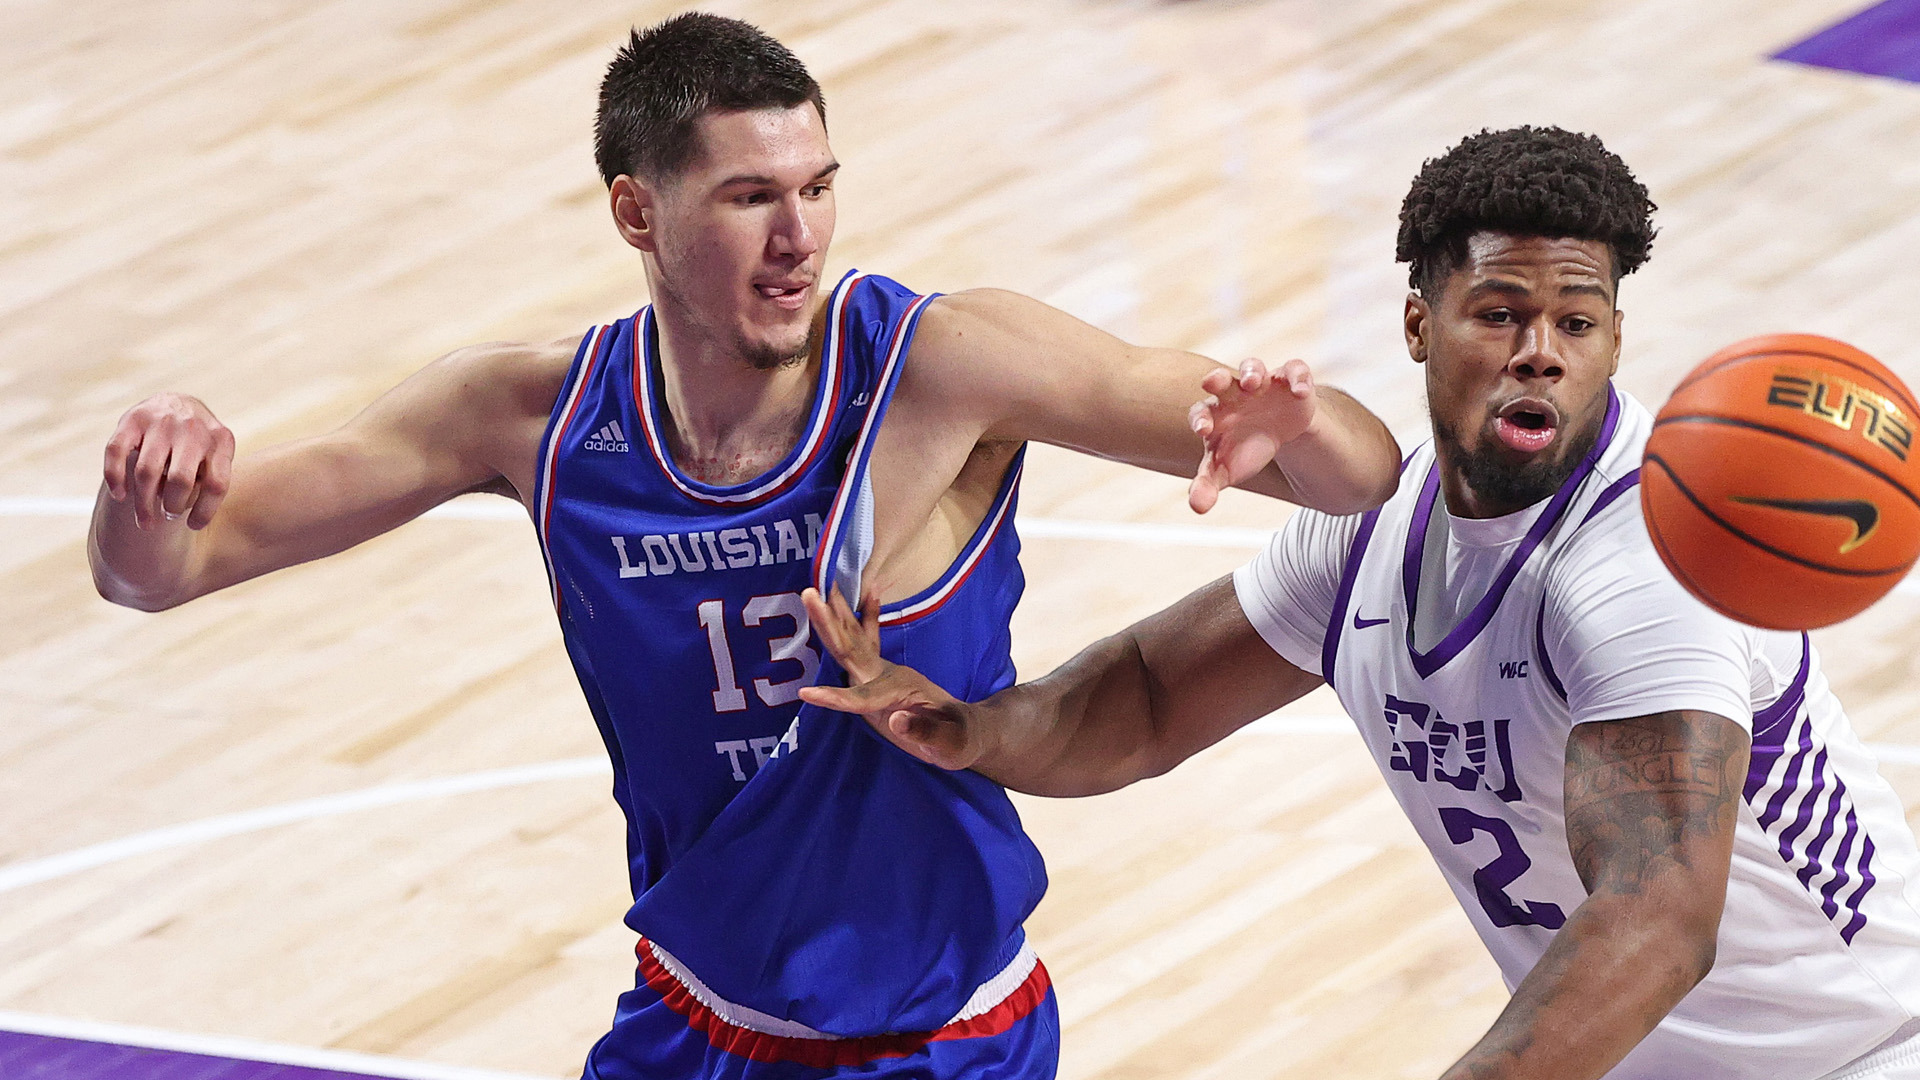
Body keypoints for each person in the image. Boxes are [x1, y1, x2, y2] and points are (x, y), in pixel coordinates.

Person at [86, 13, 1400, 1080]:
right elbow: (159, 574)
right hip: (693, 1025)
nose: (801, 239)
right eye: (751, 197)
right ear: (636, 213)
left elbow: (1360, 473)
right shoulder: (534, 417)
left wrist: (1299, 423)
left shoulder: (947, 360)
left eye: (820, 189)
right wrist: (152, 476)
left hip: (940, 1046)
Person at [802, 126, 1920, 1080]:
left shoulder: (1639, 573)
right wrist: (973, 728)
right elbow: (1144, 700)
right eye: (1499, 314)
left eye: (1577, 325)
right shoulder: (1374, 533)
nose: (1540, 353)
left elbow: (1658, 922)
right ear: (1418, 325)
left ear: (1615, 341)